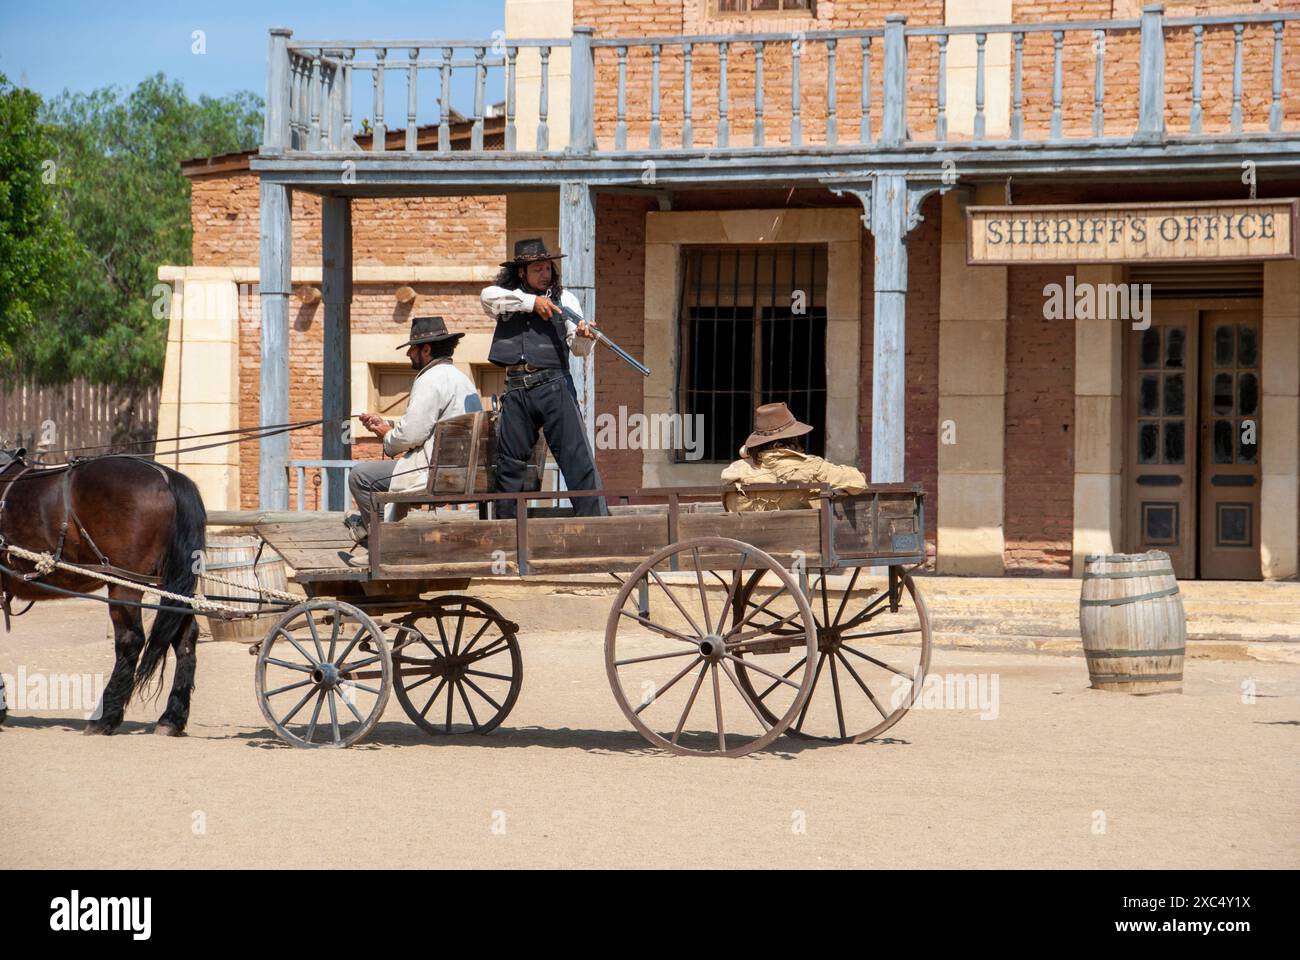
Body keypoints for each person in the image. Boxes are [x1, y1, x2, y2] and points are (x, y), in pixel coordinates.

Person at [481, 237, 607, 518]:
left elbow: (578, 349)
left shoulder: (565, 299)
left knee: (576, 457)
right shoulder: (506, 297)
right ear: (521, 272)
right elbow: (485, 298)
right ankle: (506, 531)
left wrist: (586, 337)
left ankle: (597, 527)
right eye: (537, 269)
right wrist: (532, 303)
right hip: (516, 390)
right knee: (509, 465)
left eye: (548, 268)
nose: (545, 274)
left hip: (554, 386)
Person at [344, 316, 481, 544]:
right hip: (458, 468)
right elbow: (425, 428)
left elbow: (411, 436)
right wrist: (389, 428)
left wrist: (387, 436)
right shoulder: (462, 379)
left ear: (426, 349)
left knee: (361, 476)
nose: (408, 354)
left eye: (412, 349)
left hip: (434, 471)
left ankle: (380, 544)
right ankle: (376, 534)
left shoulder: (430, 379)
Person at [720, 402, 867, 512]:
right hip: (804, 543)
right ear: (793, 439)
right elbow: (858, 481)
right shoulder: (811, 467)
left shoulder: (735, 470)